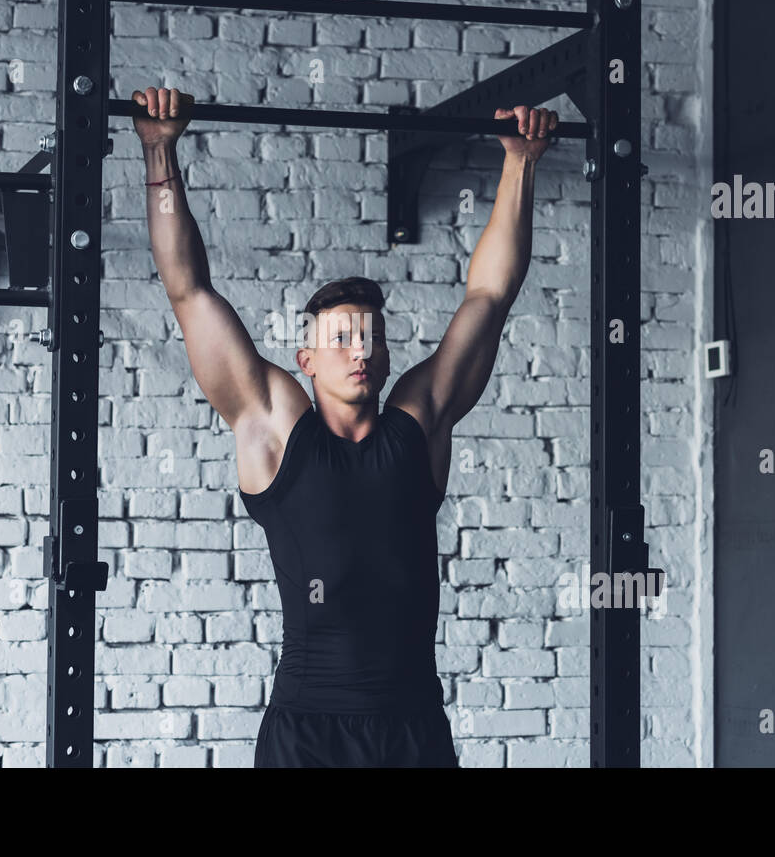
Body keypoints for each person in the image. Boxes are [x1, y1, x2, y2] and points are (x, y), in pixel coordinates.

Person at [132, 86, 558, 767]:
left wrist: (520, 162)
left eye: (371, 337)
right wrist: (159, 150)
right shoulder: (273, 427)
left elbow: (490, 294)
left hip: (413, 728)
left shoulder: (419, 422)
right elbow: (188, 290)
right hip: (309, 734)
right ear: (305, 360)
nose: (358, 350)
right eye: (340, 339)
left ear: (387, 354)